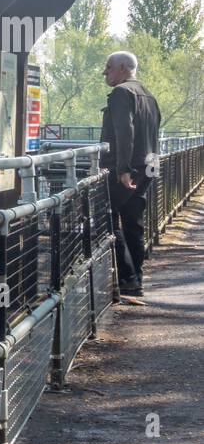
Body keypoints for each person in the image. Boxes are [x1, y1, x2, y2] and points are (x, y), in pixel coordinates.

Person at [98, 50, 161, 296]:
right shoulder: (148, 95)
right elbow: (155, 135)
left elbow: (125, 131)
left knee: (108, 217)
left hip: (130, 168)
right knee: (134, 223)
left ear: (123, 68)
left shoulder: (121, 93)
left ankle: (128, 276)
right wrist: (152, 168)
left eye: (109, 67)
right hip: (149, 165)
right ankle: (135, 280)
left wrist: (123, 169)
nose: (105, 72)